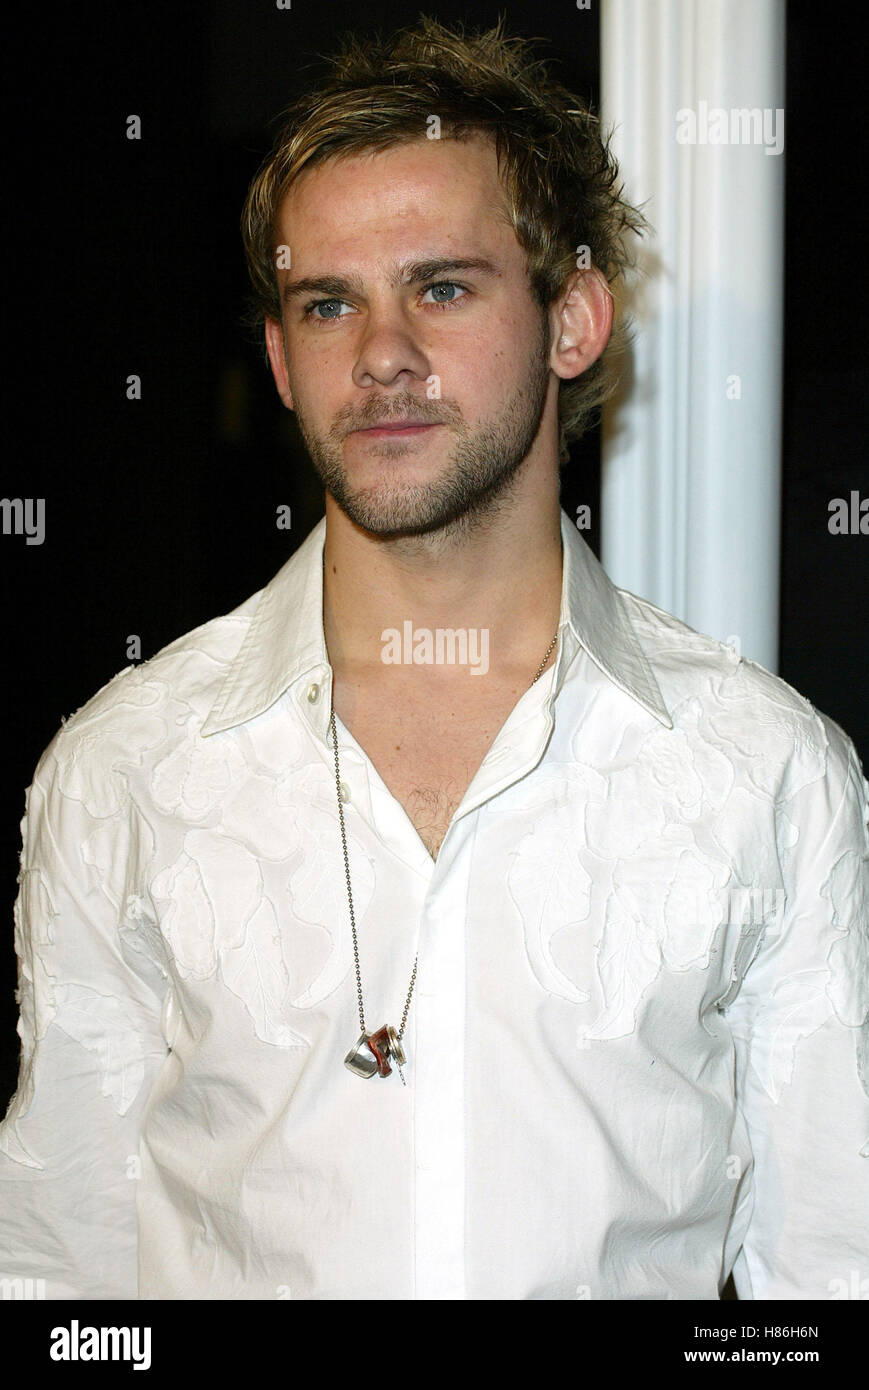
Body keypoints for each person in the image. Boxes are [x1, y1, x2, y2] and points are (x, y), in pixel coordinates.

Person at [1, 15, 866, 1302]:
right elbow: (60, 1279)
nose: (382, 354)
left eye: (443, 287)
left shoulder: (764, 777)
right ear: (283, 363)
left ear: (572, 319)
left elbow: (822, 1279)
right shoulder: (126, 770)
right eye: (329, 301)